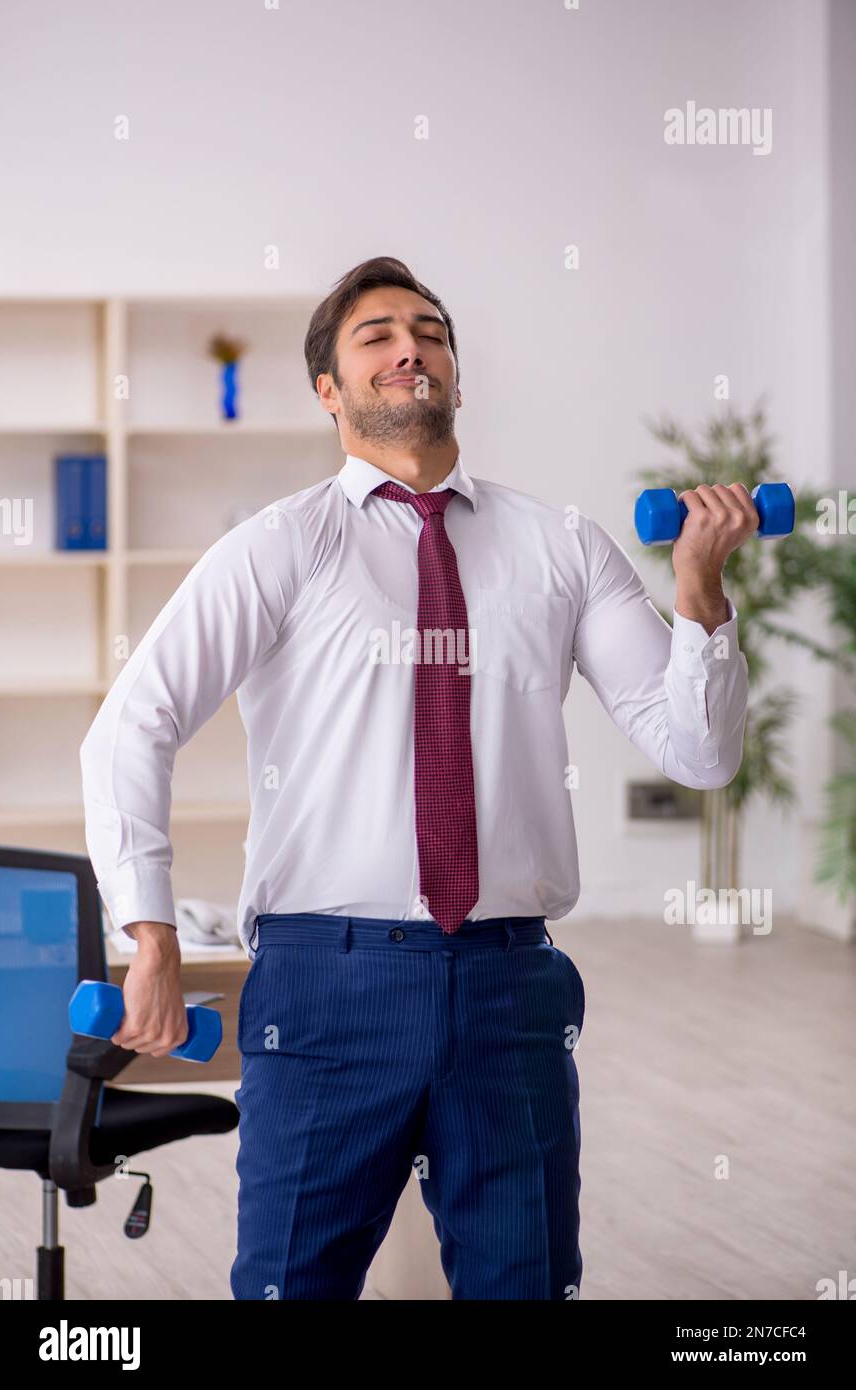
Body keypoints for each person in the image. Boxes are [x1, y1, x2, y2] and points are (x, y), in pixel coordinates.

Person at [79, 256, 756, 1300]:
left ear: (454, 372)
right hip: (324, 989)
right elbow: (133, 723)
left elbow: (699, 752)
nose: (411, 347)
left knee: (523, 1284)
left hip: (507, 987)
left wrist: (702, 594)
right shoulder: (279, 547)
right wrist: (150, 936)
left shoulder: (561, 546)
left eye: (431, 330)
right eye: (377, 334)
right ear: (329, 390)